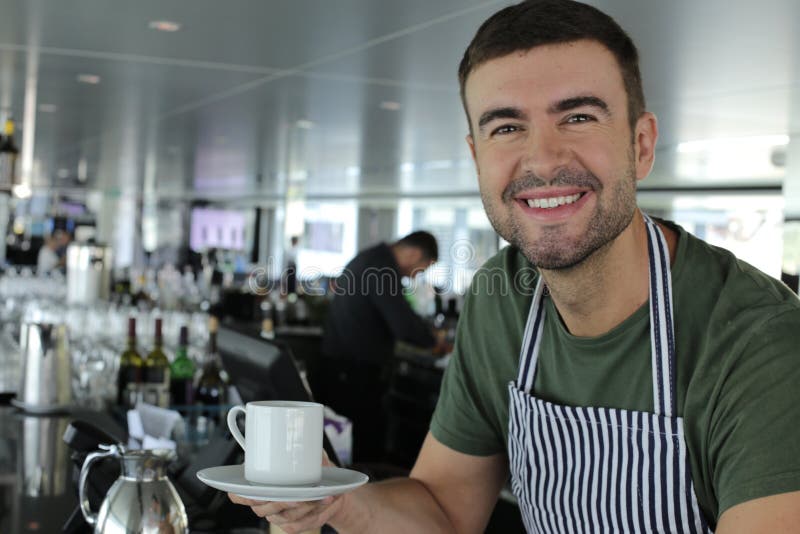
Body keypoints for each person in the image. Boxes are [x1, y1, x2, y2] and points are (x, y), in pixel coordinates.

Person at [230, 1, 800, 532]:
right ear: (478, 157)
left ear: (642, 145)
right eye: (506, 127)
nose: (544, 159)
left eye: (578, 117)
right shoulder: (501, 295)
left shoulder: (760, 343)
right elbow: (446, 509)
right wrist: (337, 501)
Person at [316, 230, 439, 463]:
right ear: (413, 254)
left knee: (342, 448)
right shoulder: (383, 268)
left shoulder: (370, 258)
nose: (415, 277)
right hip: (355, 374)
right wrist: (433, 341)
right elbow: (404, 326)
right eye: (421, 269)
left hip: (339, 367)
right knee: (363, 450)